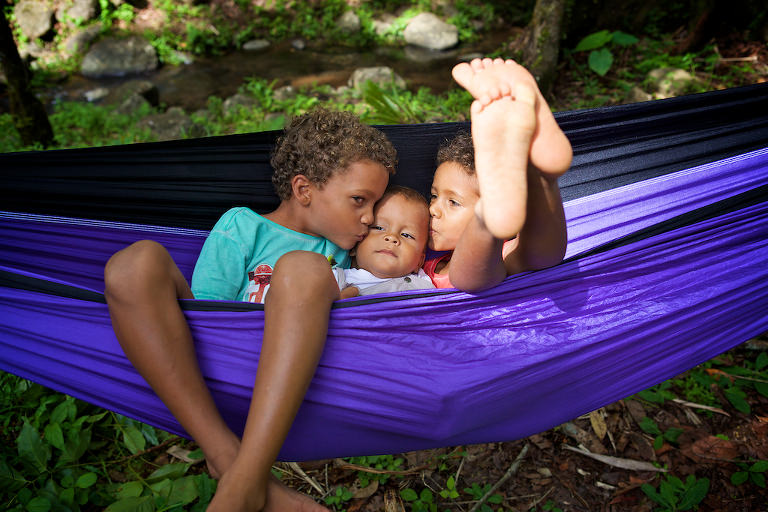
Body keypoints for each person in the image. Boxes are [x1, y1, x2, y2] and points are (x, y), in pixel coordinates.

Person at [104, 108, 396, 512]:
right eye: (359, 200)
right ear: (304, 189)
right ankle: (238, 468)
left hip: (291, 375)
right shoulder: (243, 227)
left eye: (375, 205)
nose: (370, 218)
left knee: (303, 268)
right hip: (214, 359)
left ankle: (239, 476)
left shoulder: (344, 253)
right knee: (133, 264)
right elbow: (210, 315)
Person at [424, 58, 573, 291]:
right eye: (433, 196)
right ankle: (541, 178)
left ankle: (492, 213)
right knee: (529, 259)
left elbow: (543, 259)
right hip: (494, 255)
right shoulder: (424, 255)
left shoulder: (500, 251)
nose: (433, 209)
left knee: (468, 277)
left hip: (489, 263)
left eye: (453, 202)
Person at [335, 185, 434, 299]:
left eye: (406, 235)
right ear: (354, 247)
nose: (391, 237)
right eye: (379, 228)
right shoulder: (334, 280)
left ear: (419, 262)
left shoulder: (425, 287)